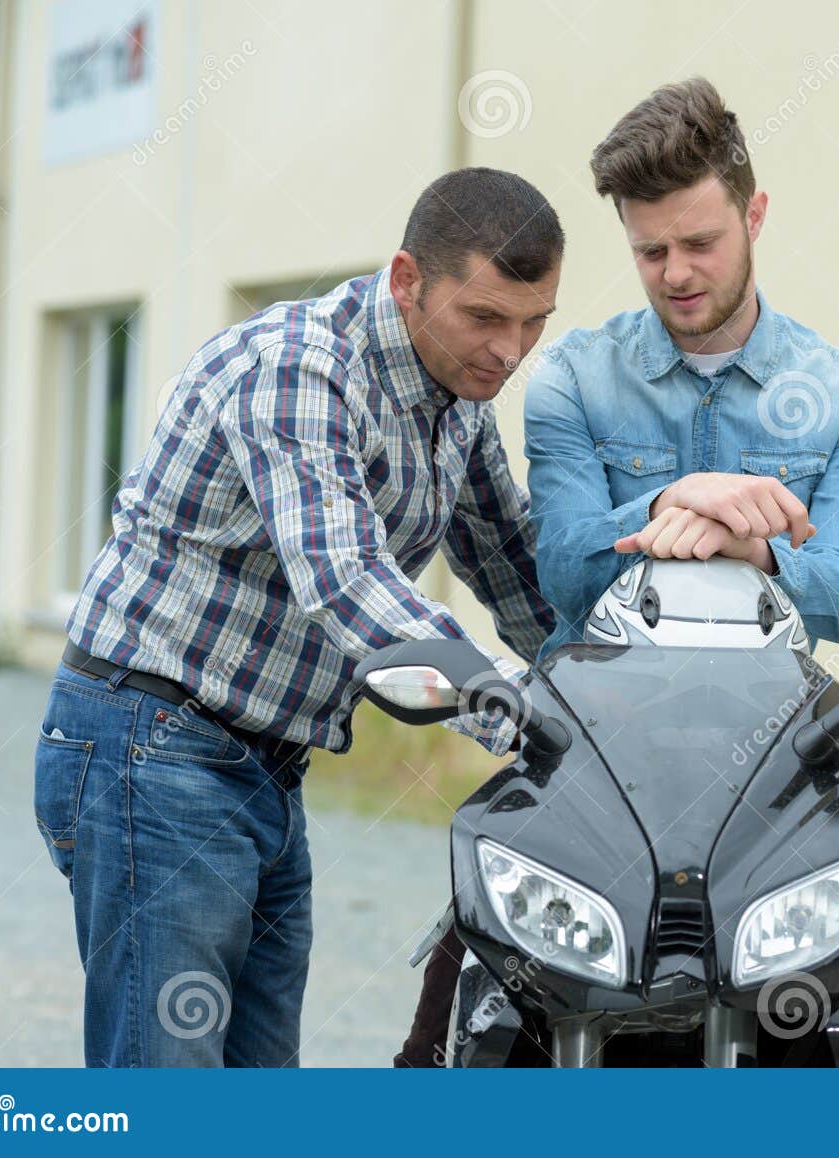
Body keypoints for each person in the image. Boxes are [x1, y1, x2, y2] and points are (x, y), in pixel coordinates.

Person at [396, 80, 839, 1067]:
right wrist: (670, 499)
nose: (677, 273)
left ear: (753, 214)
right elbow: (560, 572)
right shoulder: (569, 379)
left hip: (775, 775)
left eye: (700, 244)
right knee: (453, 1026)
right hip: (585, 767)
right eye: (651, 251)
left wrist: (746, 540)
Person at [34, 167, 563, 1067]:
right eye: (485, 318)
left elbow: (516, 565)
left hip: (267, 769)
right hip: (152, 749)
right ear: (407, 280)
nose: (509, 352)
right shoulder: (298, 365)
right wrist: (526, 712)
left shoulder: (455, 402)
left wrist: (619, 685)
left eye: (533, 323)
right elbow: (346, 578)